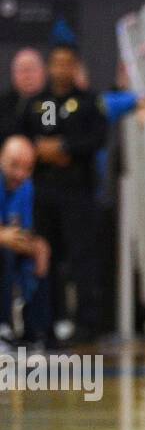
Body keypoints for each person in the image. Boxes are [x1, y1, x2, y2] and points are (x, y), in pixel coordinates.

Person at [18, 44, 108, 341]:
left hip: (78, 192)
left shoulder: (88, 102)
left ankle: (86, 323)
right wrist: (43, 149)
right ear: (49, 67)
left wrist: (66, 148)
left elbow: (96, 139)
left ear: (76, 67)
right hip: (45, 191)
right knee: (46, 255)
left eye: (67, 63)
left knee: (83, 258)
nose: (61, 69)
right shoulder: (40, 103)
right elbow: (32, 137)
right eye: (56, 63)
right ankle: (49, 320)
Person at [0, 136, 51, 347]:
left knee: (40, 252)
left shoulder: (26, 187)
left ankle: (35, 330)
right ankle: (3, 326)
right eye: (14, 165)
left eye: (27, 168)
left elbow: (23, 232)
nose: (20, 174)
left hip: (10, 248)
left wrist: (34, 245)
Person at [0, 47, 45, 141]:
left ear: (43, 72)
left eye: (32, 70)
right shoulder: (4, 102)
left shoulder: (52, 100)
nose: (27, 76)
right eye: (22, 70)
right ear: (13, 75)